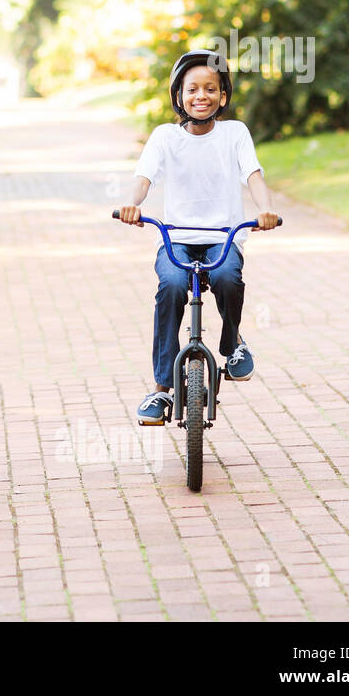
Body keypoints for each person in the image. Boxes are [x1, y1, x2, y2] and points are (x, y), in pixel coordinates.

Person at [114, 49, 280, 425]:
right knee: (171, 285)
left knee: (226, 277)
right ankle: (160, 388)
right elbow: (143, 178)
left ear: (223, 96)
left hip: (223, 238)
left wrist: (265, 210)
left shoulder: (235, 133)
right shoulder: (165, 137)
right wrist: (130, 205)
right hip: (177, 240)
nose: (201, 96)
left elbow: (253, 175)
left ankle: (231, 344)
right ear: (179, 95)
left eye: (210, 89)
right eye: (192, 89)